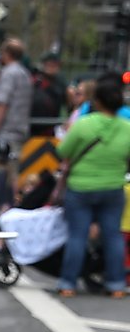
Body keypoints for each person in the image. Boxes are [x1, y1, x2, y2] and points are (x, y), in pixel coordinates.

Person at [51, 76, 130, 298]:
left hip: (80, 187)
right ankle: (116, 285)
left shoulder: (84, 124)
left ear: (97, 101)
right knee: (113, 236)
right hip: (113, 187)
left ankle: (68, 283)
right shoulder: (127, 129)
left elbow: (63, 151)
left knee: (77, 235)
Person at [0, 39, 33, 208]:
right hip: (19, 130)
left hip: (5, 132)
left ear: (6, 54)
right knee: (13, 174)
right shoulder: (25, 74)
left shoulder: (8, 73)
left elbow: (2, 103)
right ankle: (7, 207)